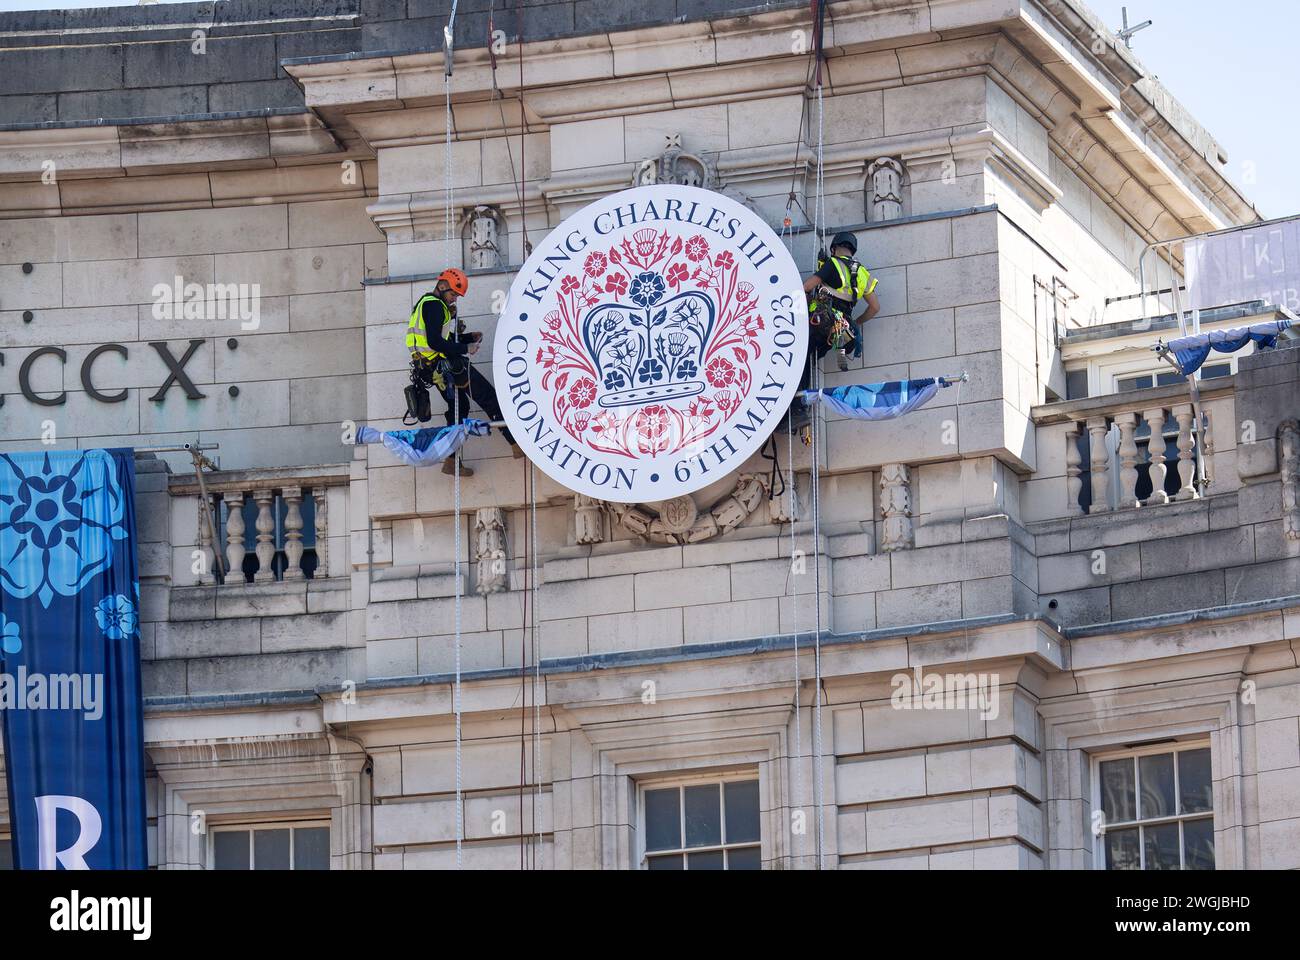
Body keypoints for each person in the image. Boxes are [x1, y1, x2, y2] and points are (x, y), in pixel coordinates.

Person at [406, 267, 522, 476]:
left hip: (433, 369)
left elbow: (438, 339)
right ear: (442, 286)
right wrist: (465, 348)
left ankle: (451, 461)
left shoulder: (425, 304)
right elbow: (435, 342)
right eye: (452, 295)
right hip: (448, 366)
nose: (454, 300)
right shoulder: (434, 306)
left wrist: (467, 337)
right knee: (487, 396)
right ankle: (516, 444)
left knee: (459, 410)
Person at [788, 231, 881, 426]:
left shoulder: (833, 264)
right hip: (844, 330)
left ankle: (797, 409)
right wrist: (857, 322)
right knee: (811, 356)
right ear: (852, 250)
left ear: (834, 248)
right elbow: (874, 307)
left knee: (802, 356)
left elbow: (806, 287)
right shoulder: (862, 273)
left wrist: (796, 316)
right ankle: (800, 405)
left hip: (822, 323)